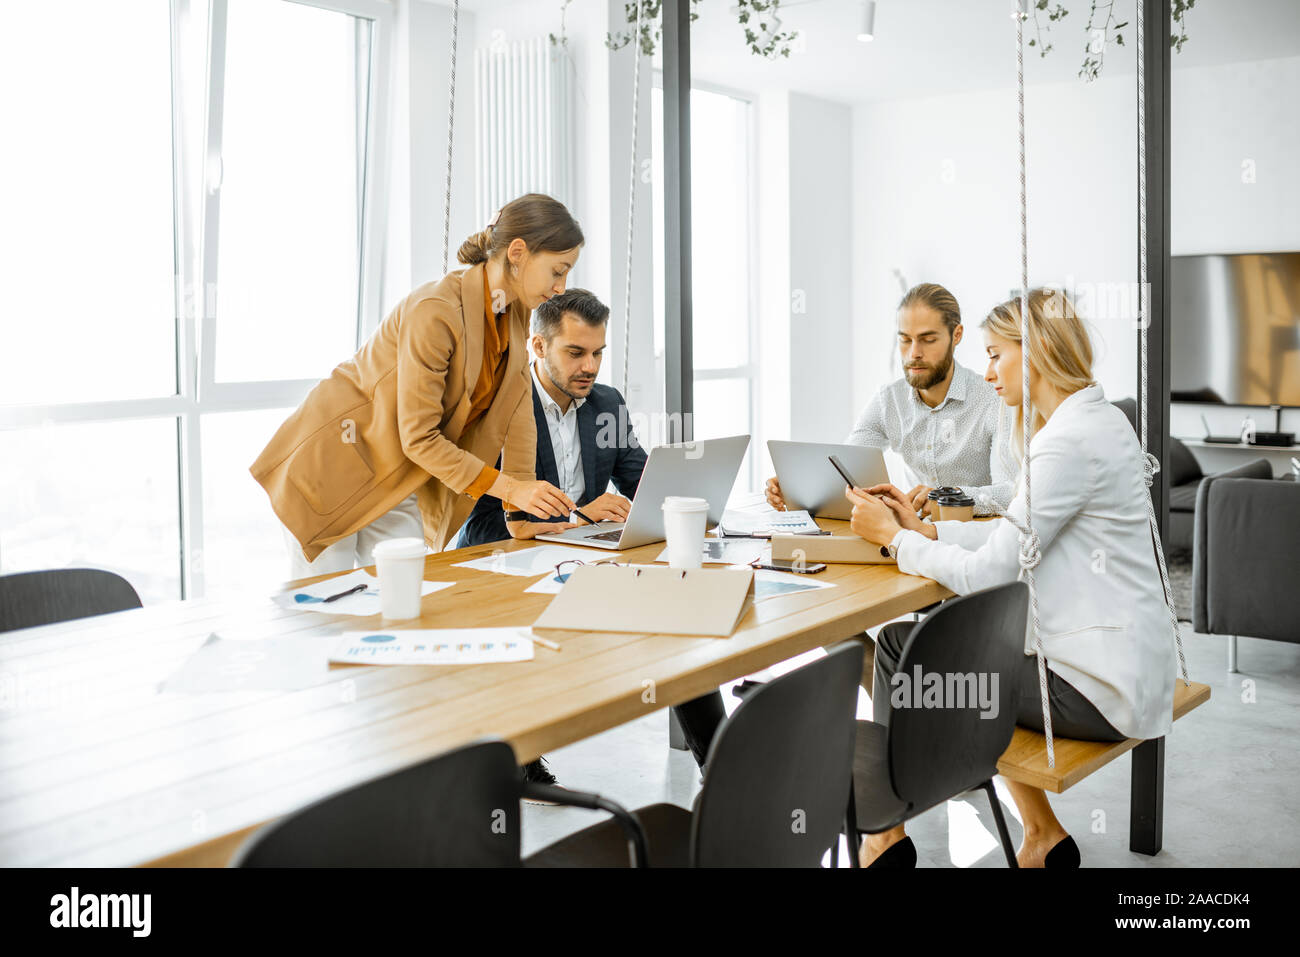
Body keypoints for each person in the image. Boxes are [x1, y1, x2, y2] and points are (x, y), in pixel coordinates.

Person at [845, 288, 1177, 868]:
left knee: (904, 644)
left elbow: (990, 573)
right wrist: (925, 533)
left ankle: (884, 833)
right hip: (1131, 666)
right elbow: (1016, 541)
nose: (990, 373)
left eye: (998, 354)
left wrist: (894, 540)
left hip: (1096, 692)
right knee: (952, 647)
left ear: (1039, 350)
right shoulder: (1097, 423)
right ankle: (1034, 833)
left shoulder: (1064, 445)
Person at [457, 288, 726, 784]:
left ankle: (722, 762)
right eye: (575, 352)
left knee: (679, 612)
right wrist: (580, 513)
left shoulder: (605, 402)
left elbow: (640, 477)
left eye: (598, 352)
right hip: (503, 562)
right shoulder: (501, 407)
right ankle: (516, 762)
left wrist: (685, 498)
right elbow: (485, 517)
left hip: (580, 562)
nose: (591, 366)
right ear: (538, 347)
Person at [251, 193, 582, 578]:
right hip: (334, 467)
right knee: (327, 609)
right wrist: (509, 489)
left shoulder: (513, 313)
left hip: (396, 478)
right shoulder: (436, 309)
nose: (561, 287)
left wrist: (521, 509)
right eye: (558, 270)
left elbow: (518, 407)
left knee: (405, 594)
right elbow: (419, 436)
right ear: (519, 252)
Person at [766, 282, 1015, 519]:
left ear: (956, 335)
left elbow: (1010, 492)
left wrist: (948, 497)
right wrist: (798, 484)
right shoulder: (889, 401)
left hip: (976, 539)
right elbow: (845, 465)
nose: (914, 353)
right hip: (913, 535)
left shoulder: (993, 399)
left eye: (928, 339)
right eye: (905, 339)